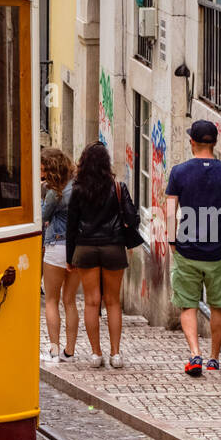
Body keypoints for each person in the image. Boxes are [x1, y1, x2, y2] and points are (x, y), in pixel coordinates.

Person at [166, 120, 221, 377]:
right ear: (215, 143)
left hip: (187, 249)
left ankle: (194, 353)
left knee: (188, 305)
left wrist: (171, 240)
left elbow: (170, 210)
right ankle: (214, 357)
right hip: (220, 251)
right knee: (218, 306)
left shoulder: (179, 172)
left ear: (192, 142)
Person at [66, 142, 139, 369]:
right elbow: (133, 218)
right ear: (106, 164)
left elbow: (71, 225)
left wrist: (70, 258)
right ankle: (115, 354)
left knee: (91, 302)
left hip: (85, 248)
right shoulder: (118, 187)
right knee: (113, 302)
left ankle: (96, 354)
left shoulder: (77, 190)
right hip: (112, 247)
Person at [41, 148, 79, 363]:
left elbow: (43, 216)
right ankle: (70, 351)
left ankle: (54, 348)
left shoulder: (54, 192)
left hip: (56, 246)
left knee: (52, 300)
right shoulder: (77, 187)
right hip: (76, 248)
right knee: (70, 301)